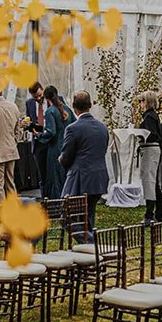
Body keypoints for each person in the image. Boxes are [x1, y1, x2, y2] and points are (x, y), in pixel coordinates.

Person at [60, 90, 110, 238]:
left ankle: (91, 244)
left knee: (66, 216)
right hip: (98, 178)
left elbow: (67, 156)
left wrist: (61, 159)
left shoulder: (73, 128)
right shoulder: (102, 127)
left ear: (73, 106)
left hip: (79, 179)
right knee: (88, 217)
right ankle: (89, 252)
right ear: (91, 105)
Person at [38, 88, 74, 200]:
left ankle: (57, 205)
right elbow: (74, 125)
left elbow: (51, 132)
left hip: (55, 150)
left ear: (47, 99)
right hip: (67, 149)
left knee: (55, 178)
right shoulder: (67, 109)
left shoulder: (50, 111)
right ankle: (69, 203)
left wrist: (39, 135)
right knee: (65, 177)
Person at [137, 91, 162, 222]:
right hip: (152, 149)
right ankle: (159, 213)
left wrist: (140, 135)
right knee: (153, 182)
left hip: (150, 149)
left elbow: (152, 134)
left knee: (149, 181)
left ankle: (149, 214)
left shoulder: (149, 117)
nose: (140, 104)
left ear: (146, 102)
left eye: (141, 101)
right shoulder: (151, 116)